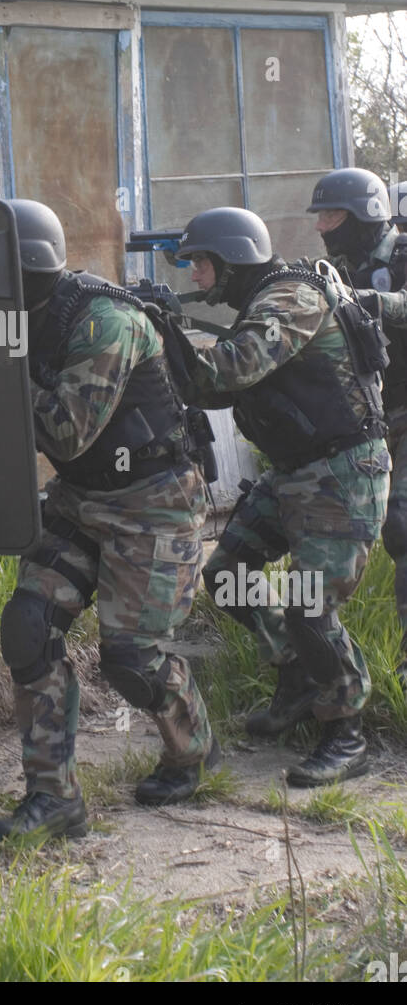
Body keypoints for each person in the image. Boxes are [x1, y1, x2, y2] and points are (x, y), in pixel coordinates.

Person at [0, 199, 219, 843]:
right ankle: (54, 800)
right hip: (83, 500)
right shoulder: (17, 318)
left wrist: (0, 375)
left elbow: (65, 431)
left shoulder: (103, 322)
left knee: (131, 660)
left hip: (155, 503)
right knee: (28, 628)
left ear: (24, 267)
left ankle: (192, 747)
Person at [176, 206, 390, 786]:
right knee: (227, 575)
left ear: (232, 256)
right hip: (295, 472)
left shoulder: (289, 298)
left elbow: (228, 373)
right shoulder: (263, 301)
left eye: (200, 262)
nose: (195, 276)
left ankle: (347, 735)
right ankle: (298, 677)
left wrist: (160, 340)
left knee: (309, 607)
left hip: (342, 473)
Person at [308, 167, 407, 695]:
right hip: (364, 420)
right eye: (320, 216)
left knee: (403, 527)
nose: (322, 226)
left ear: (365, 213)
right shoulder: (336, 266)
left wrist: (372, 301)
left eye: (332, 215)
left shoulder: (402, 253)